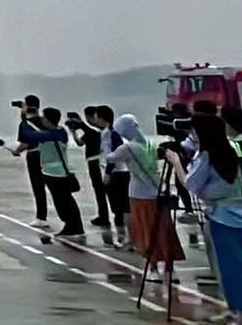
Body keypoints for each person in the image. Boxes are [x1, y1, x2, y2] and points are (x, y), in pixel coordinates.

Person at [110, 113, 183, 269]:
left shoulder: (127, 148)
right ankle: (170, 268)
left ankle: (153, 267)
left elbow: (110, 158)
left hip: (138, 193)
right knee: (164, 228)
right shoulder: (150, 144)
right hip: (157, 191)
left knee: (146, 230)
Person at [193, 107, 242, 322]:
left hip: (223, 218)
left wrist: (176, 163)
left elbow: (193, 185)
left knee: (229, 267)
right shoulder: (233, 149)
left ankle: (237, 311)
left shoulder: (211, 156)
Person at [13, 106, 85, 243]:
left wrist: (23, 117)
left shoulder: (51, 135)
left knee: (62, 202)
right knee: (67, 200)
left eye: (44, 118)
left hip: (55, 173)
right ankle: (75, 226)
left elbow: (27, 134)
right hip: (61, 171)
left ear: (48, 120)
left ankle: (72, 226)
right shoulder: (60, 131)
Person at [90, 106, 129, 249]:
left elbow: (114, 155)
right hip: (116, 173)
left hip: (117, 174)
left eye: (95, 117)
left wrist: (107, 173)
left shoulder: (111, 134)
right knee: (119, 208)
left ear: (101, 118)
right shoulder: (108, 133)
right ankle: (125, 237)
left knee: (120, 208)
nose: (94, 120)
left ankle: (124, 237)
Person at [74, 108, 113, 238]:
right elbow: (80, 142)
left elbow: (91, 133)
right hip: (92, 163)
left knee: (101, 190)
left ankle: (105, 216)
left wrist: (81, 125)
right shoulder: (92, 131)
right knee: (98, 190)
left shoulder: (98, 131)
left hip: (97, 163)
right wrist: (73, 131)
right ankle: (103, 215)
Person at [15, 95, 50, 227]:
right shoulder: (45, 121)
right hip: (48, 155)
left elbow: (25, 144)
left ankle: (41, 217)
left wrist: (16, 151)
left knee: (38, 187)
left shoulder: (25, 124)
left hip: (34, 156)